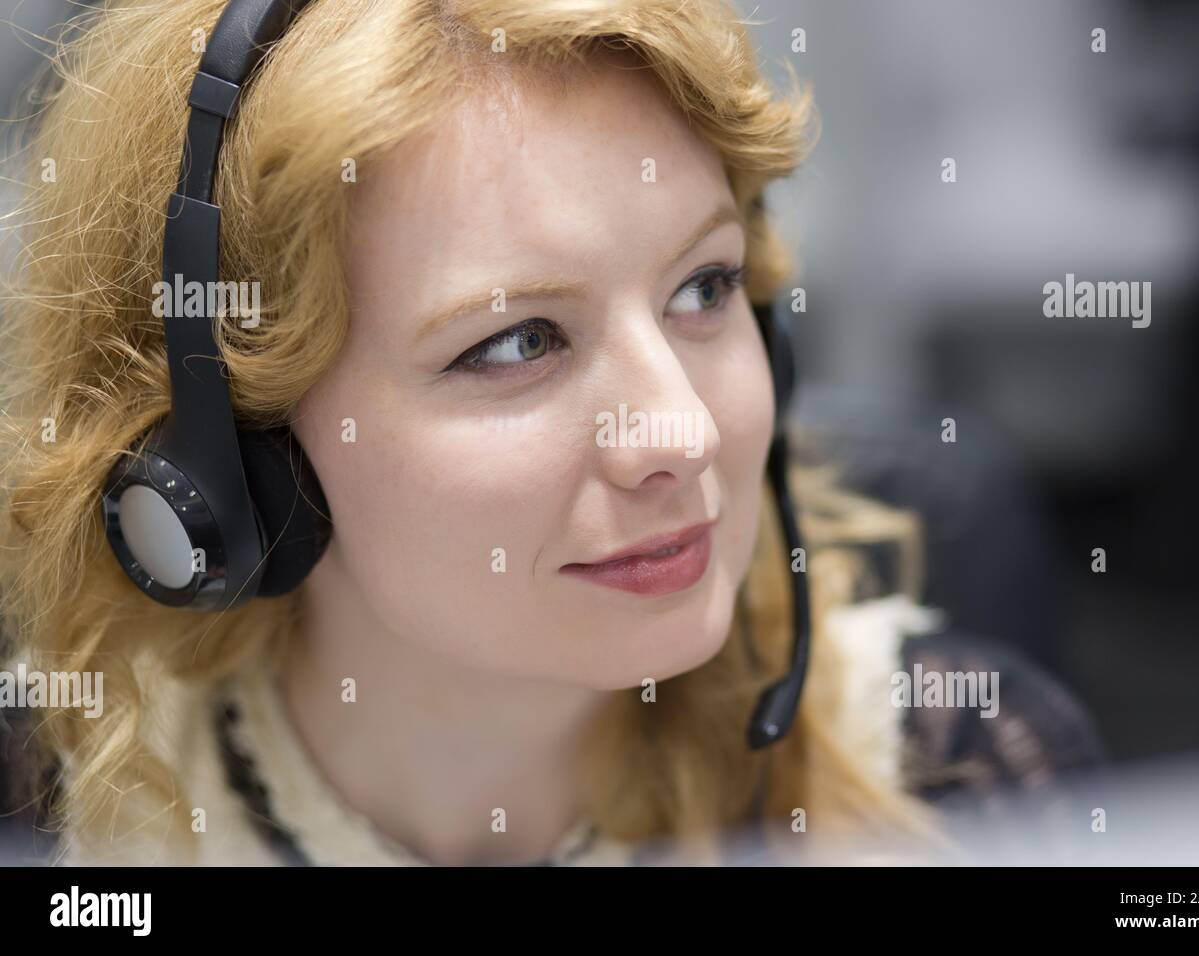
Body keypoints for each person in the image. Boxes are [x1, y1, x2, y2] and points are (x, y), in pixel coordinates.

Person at [0, 0, 1102, 867]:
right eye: (517, 342)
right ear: (235, 455)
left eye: (704, 286)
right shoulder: (63, 789)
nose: (677, 431)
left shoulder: (961, 781)